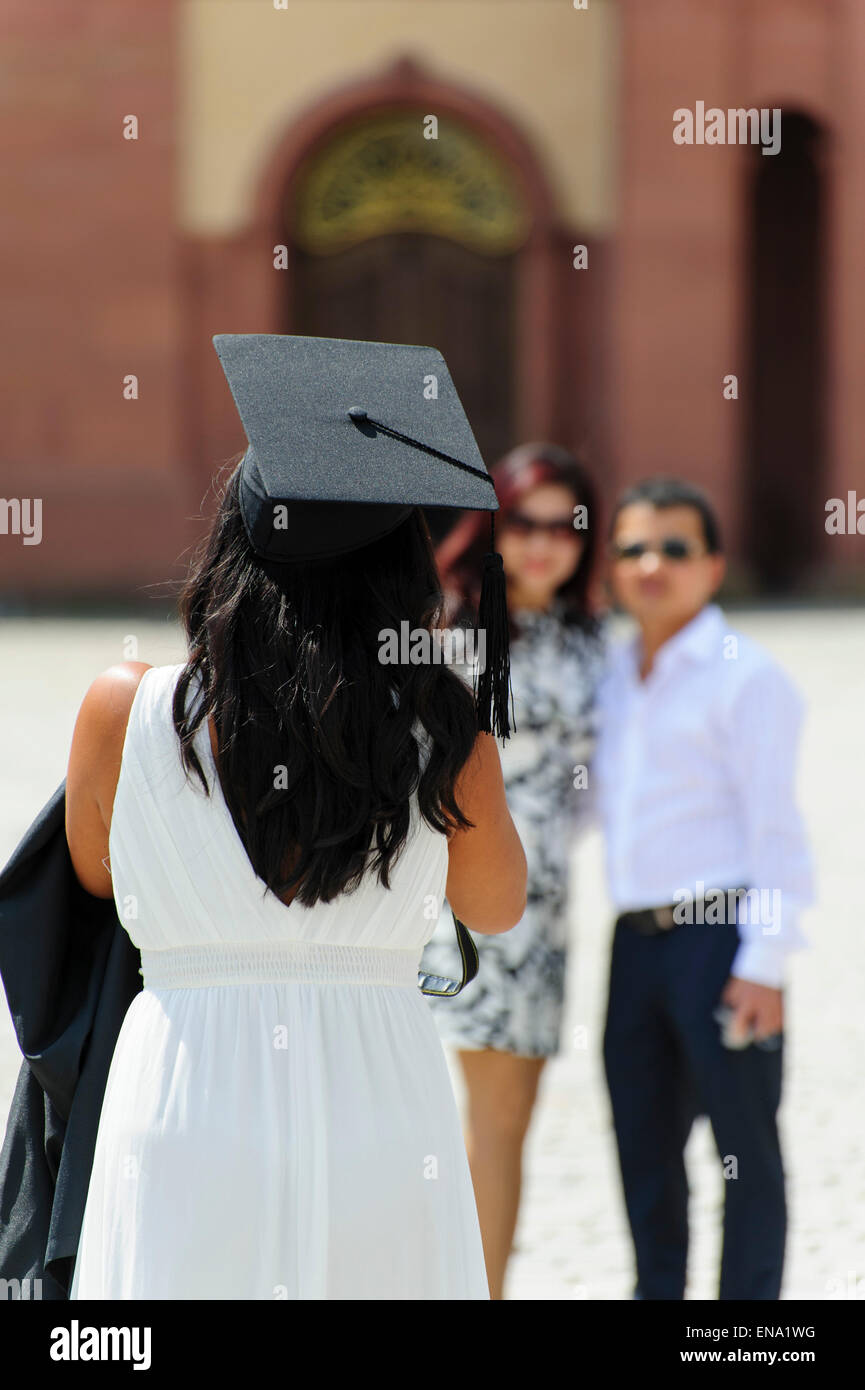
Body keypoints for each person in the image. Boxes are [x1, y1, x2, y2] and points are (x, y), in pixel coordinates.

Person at [63, 333, 527, 1299]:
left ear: (230, 547)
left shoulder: (126, 708)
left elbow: (99, 873)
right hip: (377, 1097)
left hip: (186, 1091)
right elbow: (496, 906)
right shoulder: (441, 725)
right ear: (403, 568)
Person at [592, 476, 814, 1300]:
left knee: (743, 1157)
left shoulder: (745, 677)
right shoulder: (614, 674)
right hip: (633, 946)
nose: (652, 564)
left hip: (720, 940)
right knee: (644, 1159)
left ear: (714, 566)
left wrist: (766, 962)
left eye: (675, 548)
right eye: (632, 548)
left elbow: (778, 833)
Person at [420, 442, 606, 1299]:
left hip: (546, 921)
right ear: (494, 524)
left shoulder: (589, 640)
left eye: (564, 525)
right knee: (447, 1129)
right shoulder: (445, 627)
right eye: (523, 521)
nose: (542, 542)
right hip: (454, 916)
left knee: (506, 1127)